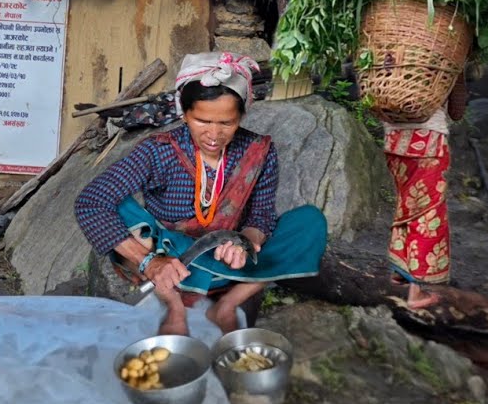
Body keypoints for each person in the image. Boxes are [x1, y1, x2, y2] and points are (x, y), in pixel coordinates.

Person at [75, 52, 327, 336]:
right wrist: (149, 261)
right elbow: (90, 202)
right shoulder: (157, 151)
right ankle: (173, 304)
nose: (213, 134)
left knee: (309, 222)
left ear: (242, 114)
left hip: (225, 254)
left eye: (226, 123)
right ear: (185, 113)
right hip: (171, 253)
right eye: (202, 121)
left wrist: (246, 241)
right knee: (116, 204)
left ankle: (228, 304)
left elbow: (261, 214)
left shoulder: (258, 151)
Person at [381, 73, 467, 309]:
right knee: (429, 212)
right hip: (428, 140)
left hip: (393, 139)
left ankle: (400, 271)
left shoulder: (392, 53)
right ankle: (417, 292)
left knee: (407, 202)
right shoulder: (446, 57)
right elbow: (457, 111)